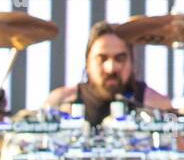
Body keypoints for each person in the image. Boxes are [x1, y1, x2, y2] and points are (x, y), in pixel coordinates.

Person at [43, 21, 173, 124]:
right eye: (102, 59)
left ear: (132, 61)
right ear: (87, 62)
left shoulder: (157, 105)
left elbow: (180, 152)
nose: (111, 68)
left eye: (120, 59)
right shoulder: (60, 102)